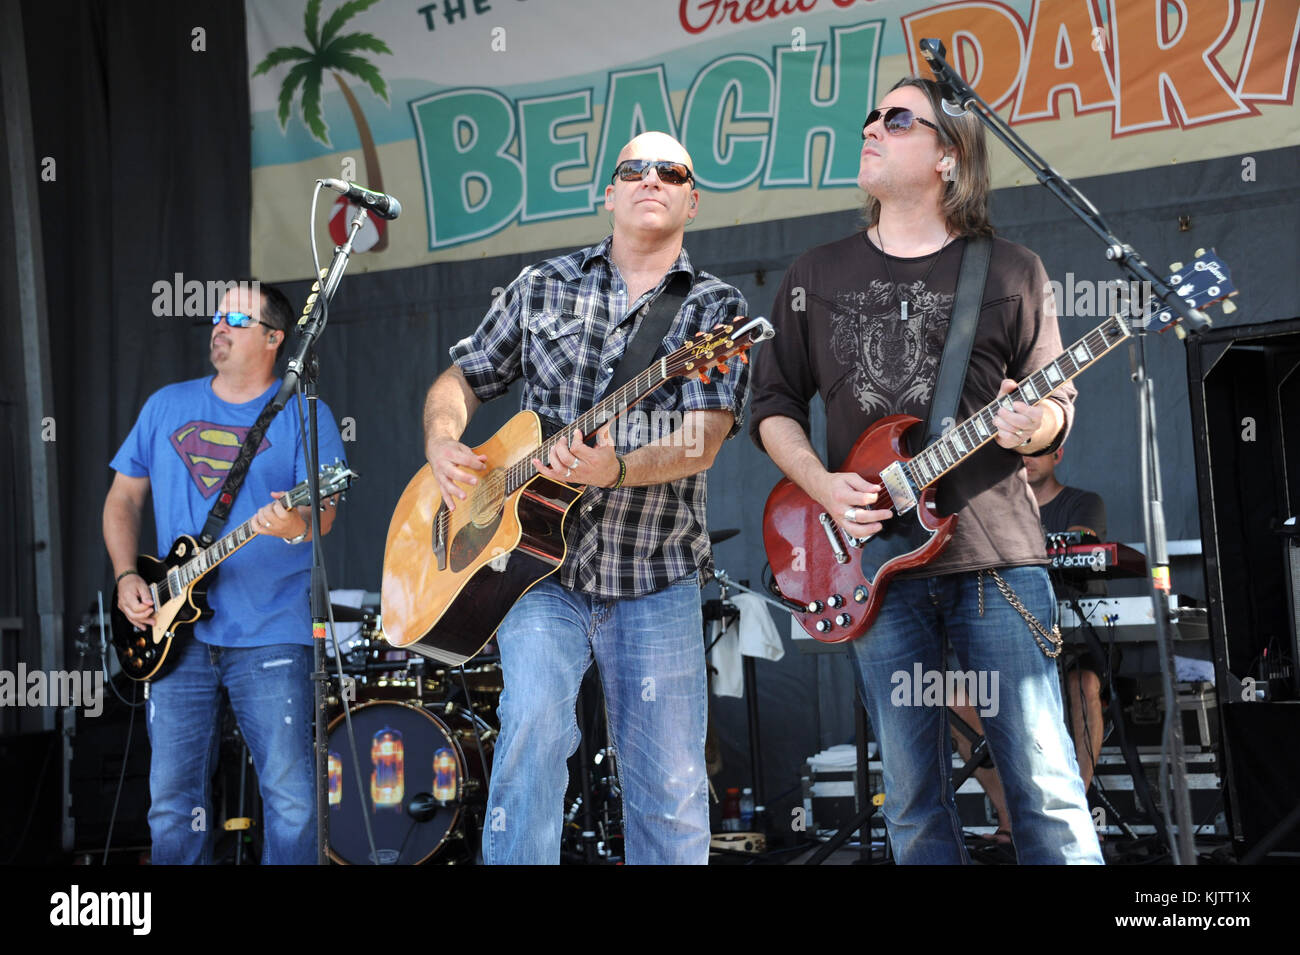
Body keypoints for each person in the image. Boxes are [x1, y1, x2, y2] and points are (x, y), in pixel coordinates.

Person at [750, 77, 1102, 864]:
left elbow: (1056, 411)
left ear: (948, 156)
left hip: (997, 560)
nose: (873, 126)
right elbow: (770, 402)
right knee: (912, 804)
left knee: (1045, 787)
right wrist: (820, 485)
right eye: (870, 116)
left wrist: (1031, 421)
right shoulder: (816, 271)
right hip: (877, 570)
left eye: (898, 119)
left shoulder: (1011, 268)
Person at [422, 131, 749, 865]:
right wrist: (444, 440)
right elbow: (460, 380)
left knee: (669, 785)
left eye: (672, 170)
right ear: (610, 192)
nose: (651, 179)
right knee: (532, 728)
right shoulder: (541, 285)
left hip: (656, 575)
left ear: (692, 200)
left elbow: (704, 438)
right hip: (537, 575)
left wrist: (619, 468)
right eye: (633, 167)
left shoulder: (715, 307)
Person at [103, 281, 345, 864]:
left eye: (237, 316)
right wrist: (123, 576)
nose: (219, 324)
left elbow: (325, 513)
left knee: (291, 802)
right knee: (170, 801)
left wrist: (290, 522)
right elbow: (122, 500)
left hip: (271, 634)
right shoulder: (166, 405)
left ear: (273, 338)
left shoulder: (305, 413)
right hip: (173, 636)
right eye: (216, 314)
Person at [951, 446, 1111, 845]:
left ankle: (1073, 815)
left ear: (1059, 453)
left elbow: (1083, 548)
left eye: (1038, 451)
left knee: (1083, 684)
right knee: (957, 696)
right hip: (1004, 637)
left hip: (1074, 641)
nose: (1027, 459)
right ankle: (1011, 821)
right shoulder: (986, 513)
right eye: (1019, 453)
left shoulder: (1082, 502)